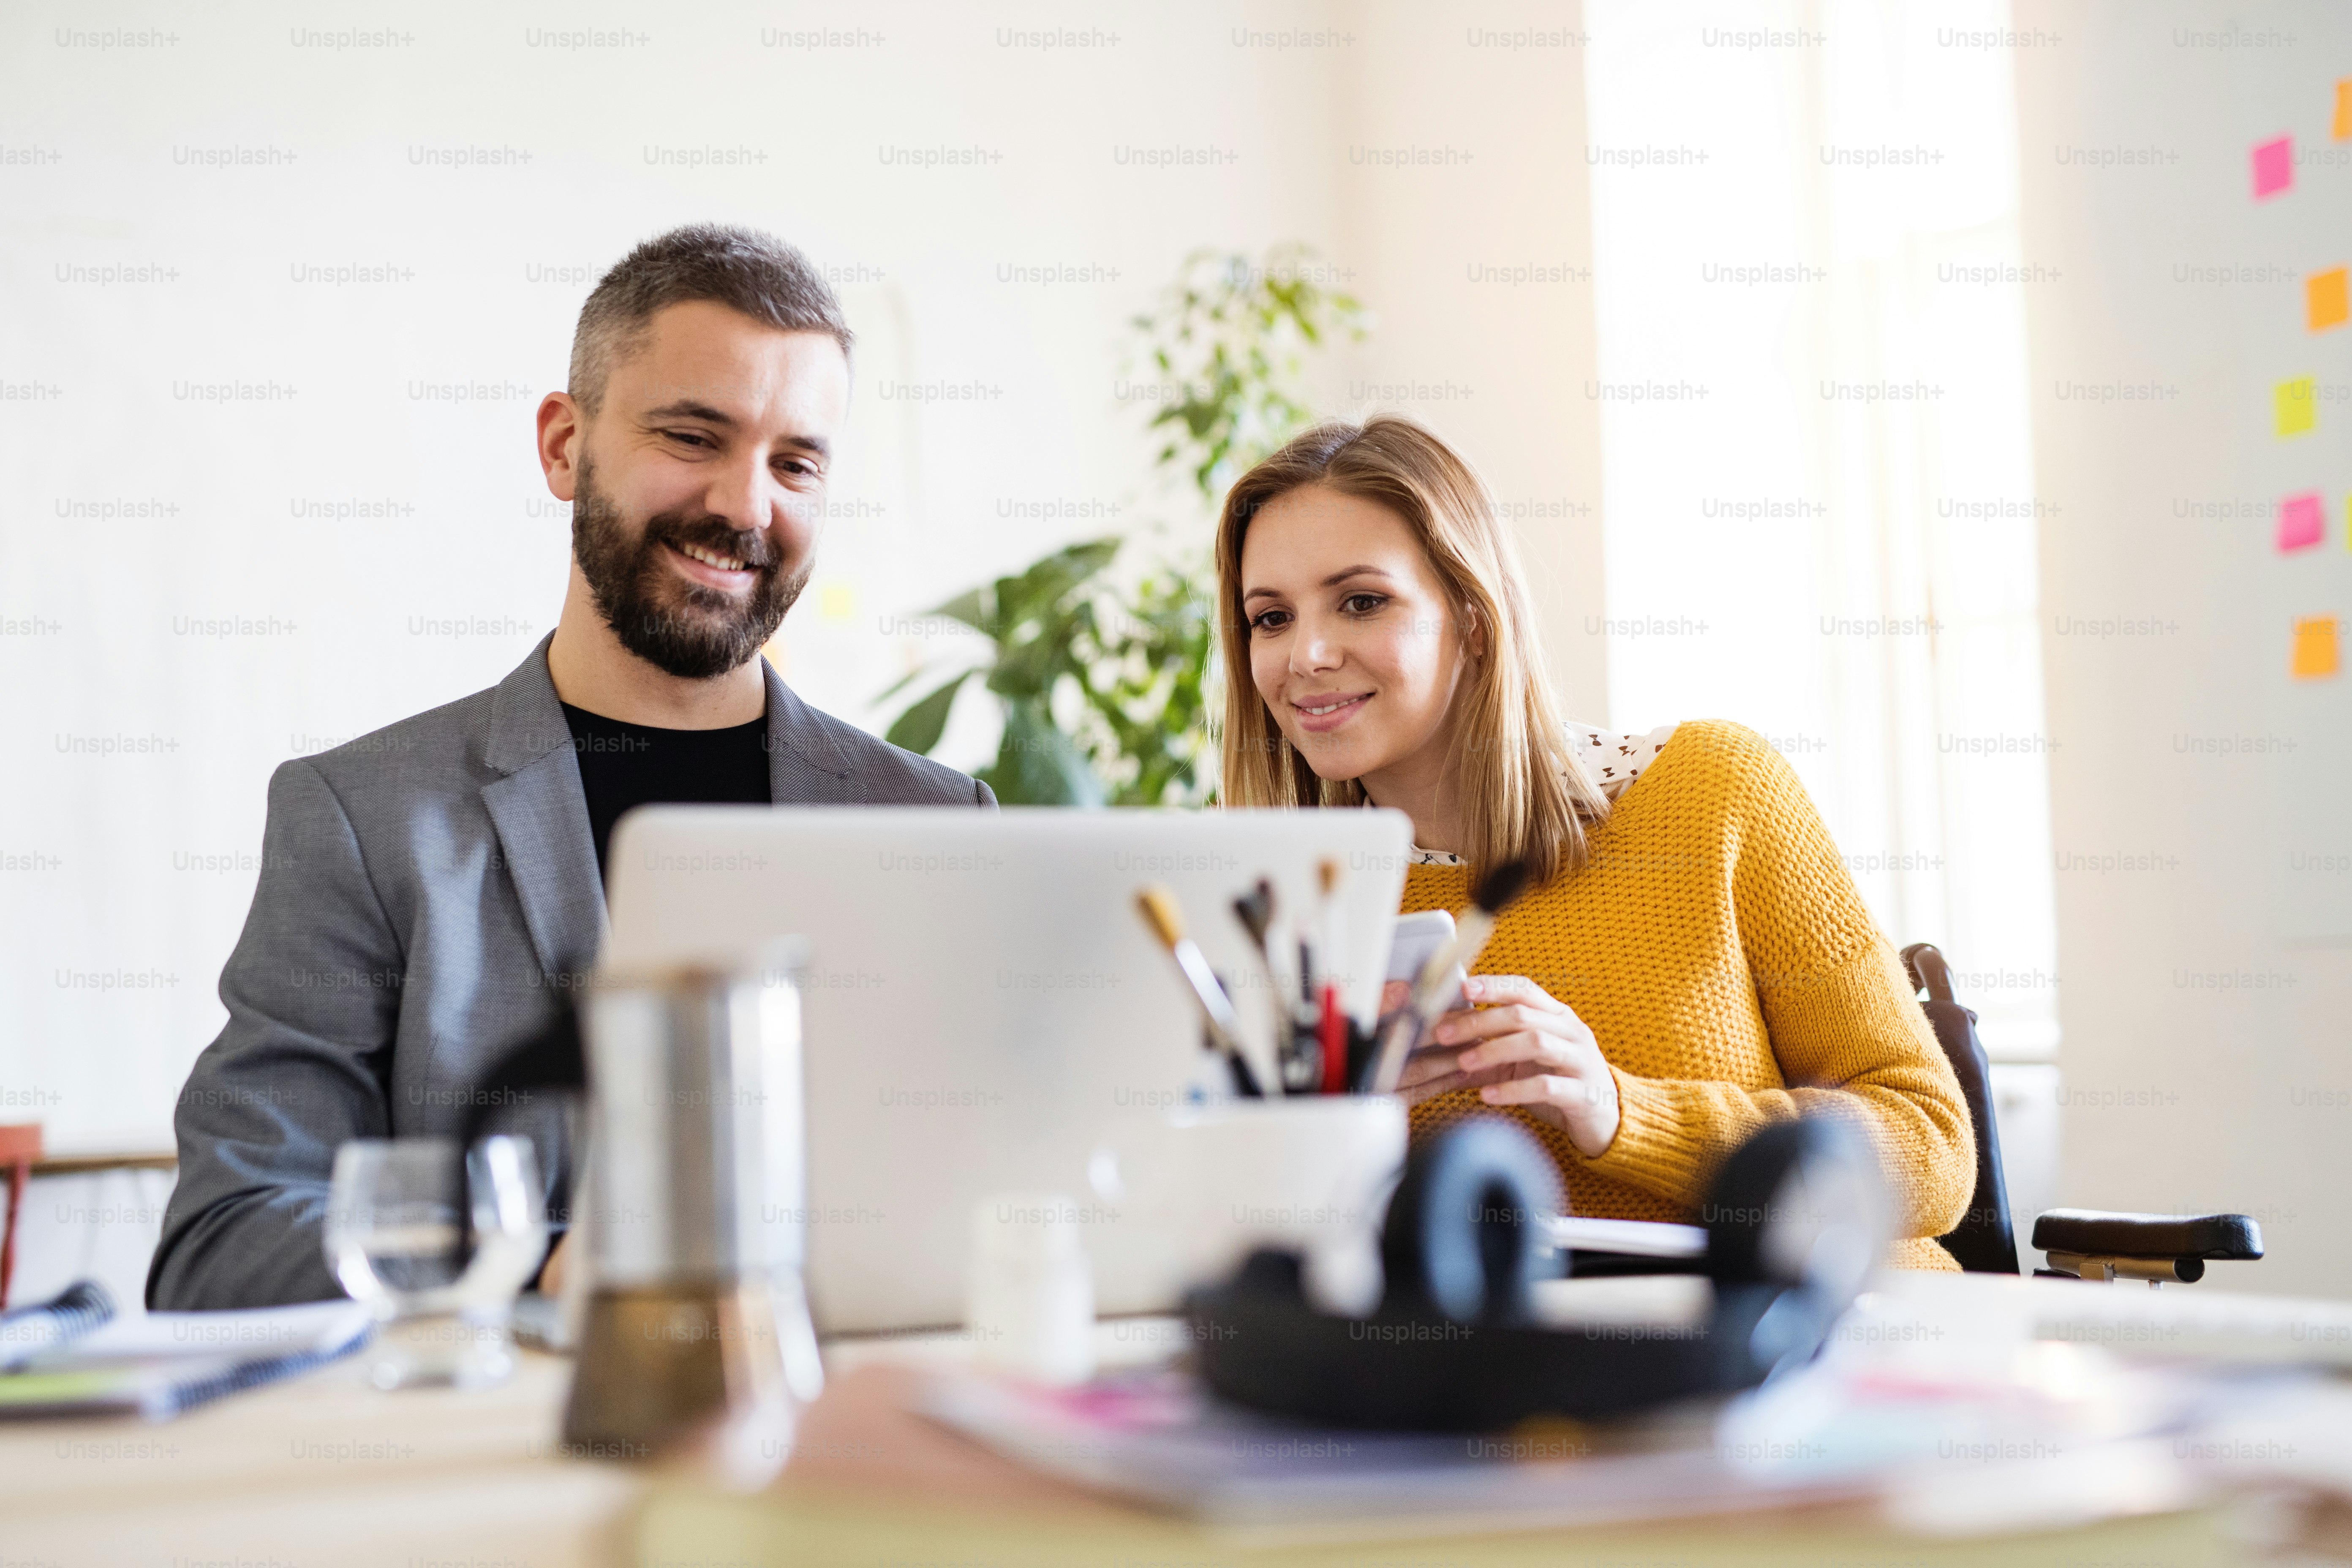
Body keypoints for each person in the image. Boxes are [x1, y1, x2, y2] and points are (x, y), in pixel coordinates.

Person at [150, 226, 992, 1309]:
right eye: (693, 436)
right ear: (563, 445)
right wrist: (536, 1265)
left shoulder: (932, 822)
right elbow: (221, 1243)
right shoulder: (365, 820)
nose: (746, 505)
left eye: (796, 463)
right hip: (501, 1467)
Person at [1215, 416, 1974, 1269]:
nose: (1306, 654)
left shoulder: (1715, 791)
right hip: (1498, 1383)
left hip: (1807, 1354)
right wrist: (1323, 1131)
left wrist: (1624, 1111)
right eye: (1270, 617)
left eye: (1361, 600)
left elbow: (1935, 1146)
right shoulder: (1261, 900)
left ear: (1471, 615)